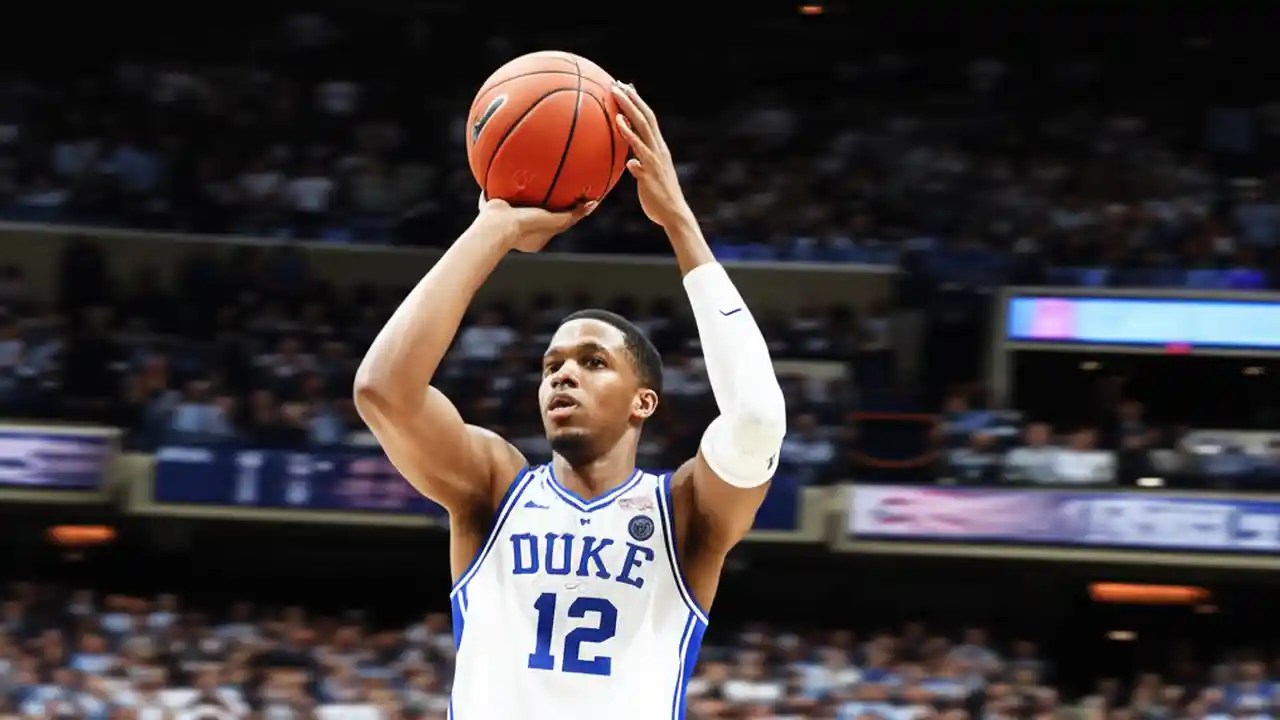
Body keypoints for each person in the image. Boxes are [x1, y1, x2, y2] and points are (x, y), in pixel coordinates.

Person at [354, 81, 787, 720]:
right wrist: (493, 228)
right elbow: (382, 391)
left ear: (644, 402)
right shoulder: (493, 487)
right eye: (552, 364)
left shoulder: (685, 513)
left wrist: (679, 221)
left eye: (592, 363)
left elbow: (755, 419)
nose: (563, 376)